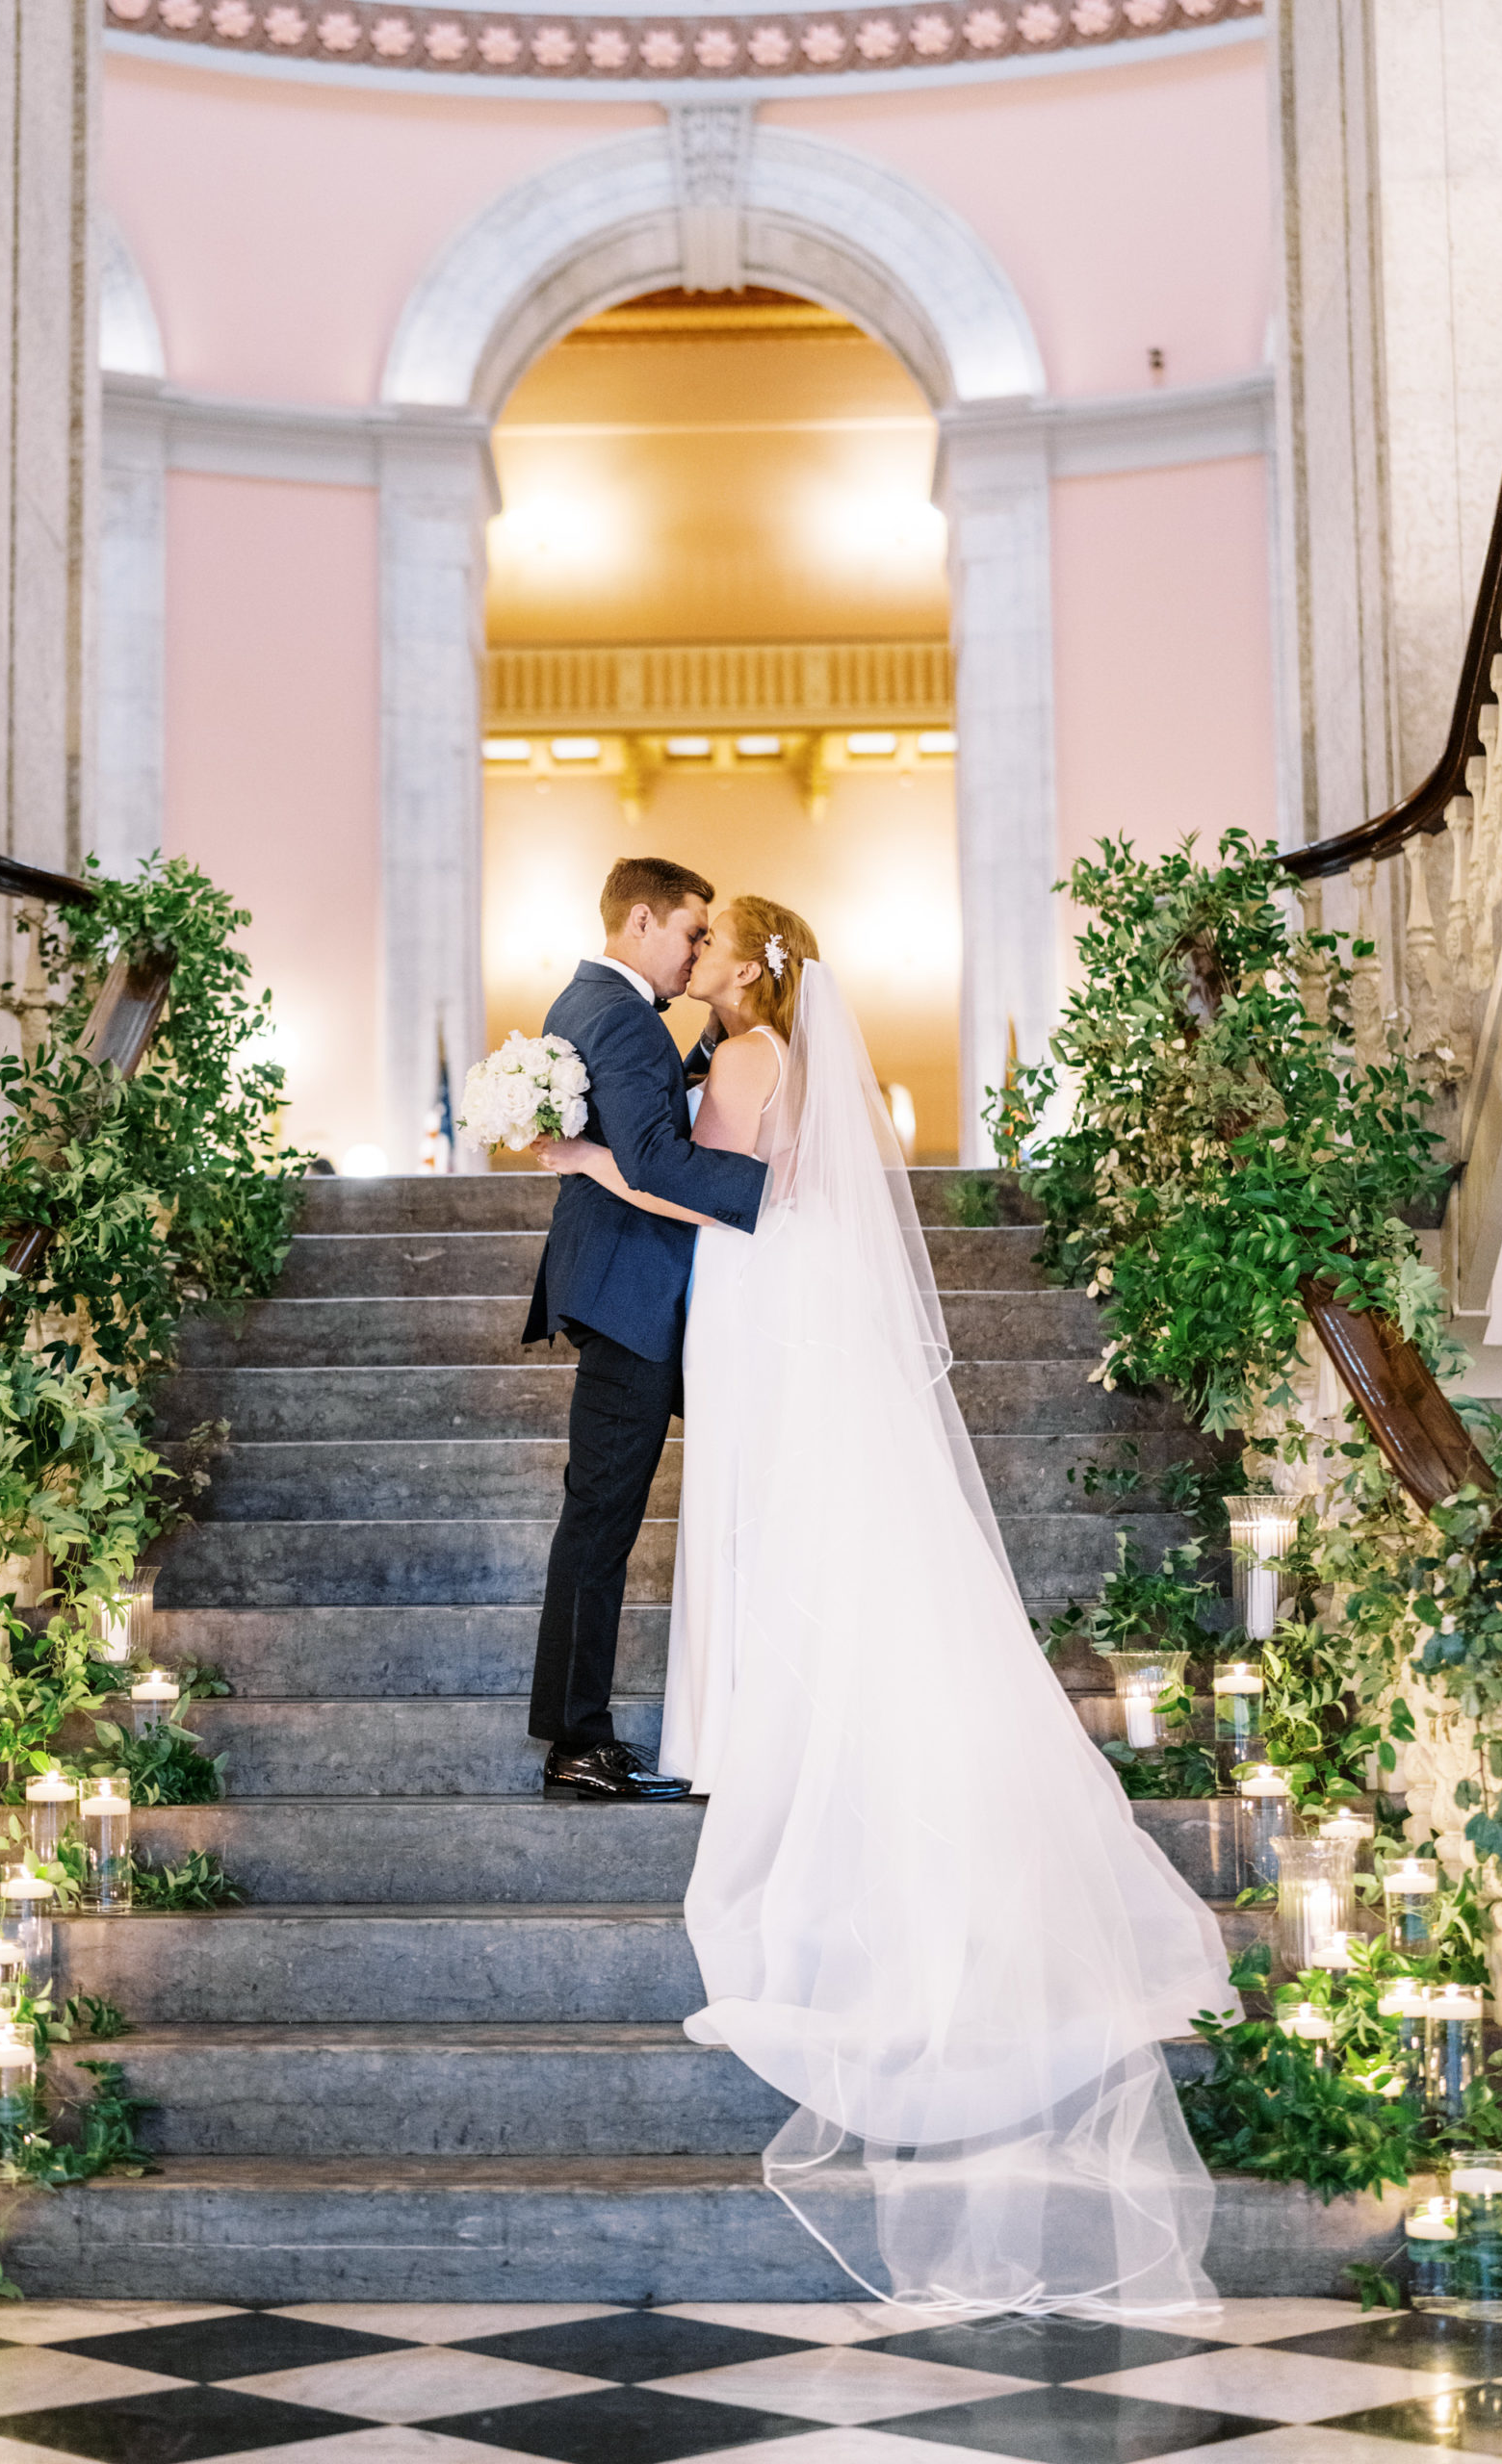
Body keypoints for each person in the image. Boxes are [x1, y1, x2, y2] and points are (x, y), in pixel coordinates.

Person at [538, 896, 1233, 2319]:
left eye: (715, 946)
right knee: (800, 1524)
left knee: (776, 1526)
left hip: (755, 1300)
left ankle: (773, 1724)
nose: (702, 962)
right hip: (780, 1307)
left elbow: (703, 1189)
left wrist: (583, 1159)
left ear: (747, 966)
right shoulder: (771, 1053)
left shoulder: (740, 1059)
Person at [523, 858, 771, 1803]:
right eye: (691, 931)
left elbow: (636, 1122)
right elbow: (660, 1162)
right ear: (640, 920)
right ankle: (577, 1743)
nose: (699, 949)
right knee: (599, 1519)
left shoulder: (593, 1004)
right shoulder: (622, 1016)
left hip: (625, 1286)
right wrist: (777, 1193)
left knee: (604, 1513)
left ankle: (583, 1734)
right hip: (633, 1295)